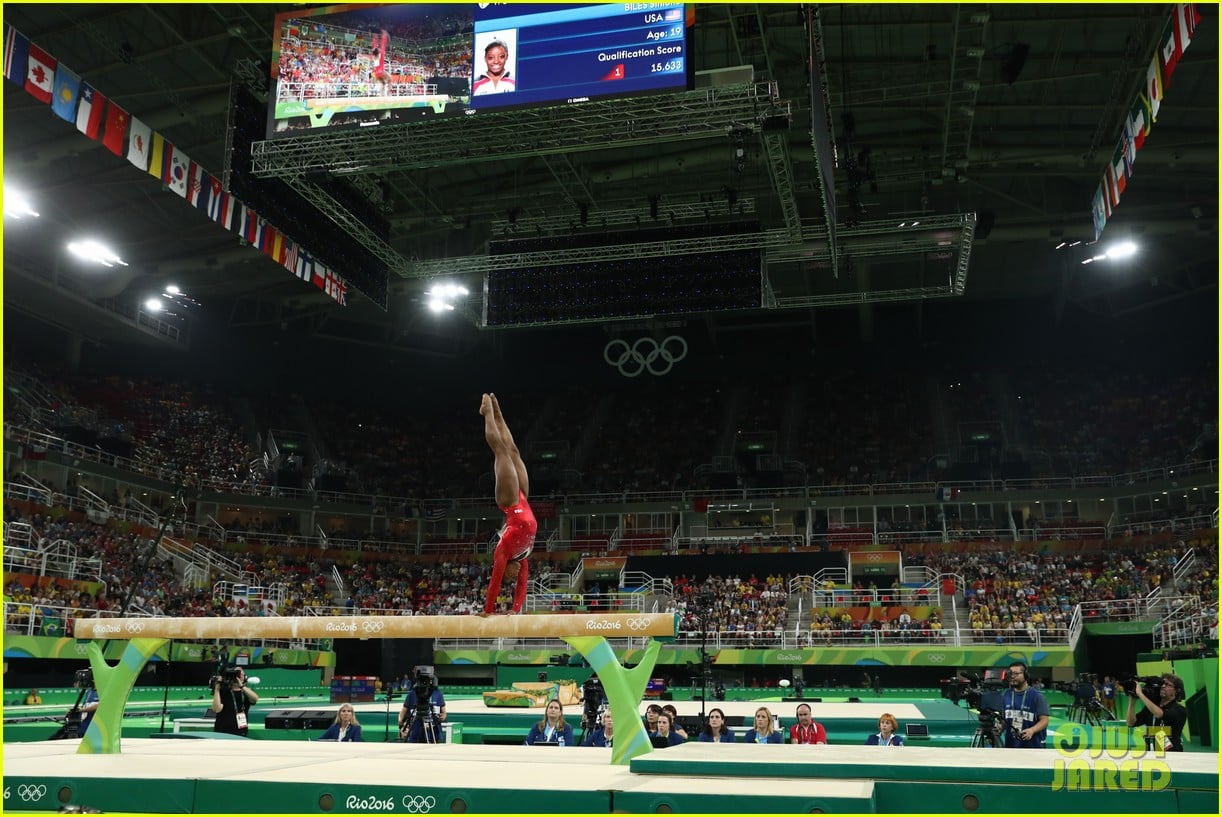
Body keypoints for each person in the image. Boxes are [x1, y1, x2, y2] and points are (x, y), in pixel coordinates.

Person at [481, 393, 537, 615]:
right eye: (512, 576)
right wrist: (514, 610)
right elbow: (523, 584)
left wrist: (488, 610)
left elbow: (494, 582)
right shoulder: (522, 557)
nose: (514, 576)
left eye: (509, 575)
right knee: (512, 450)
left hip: (510, 501)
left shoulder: (502, 552)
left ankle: (488, 414)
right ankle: (498, 414)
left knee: (502, 451)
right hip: (523, 497)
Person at [1126, 673, 1187, 752]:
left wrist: (1140, 694)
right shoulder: (1151, 708)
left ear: (1176, 691)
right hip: (1152, 754)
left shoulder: (1179, 710)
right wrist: (1132, 700)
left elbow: (1160, 714)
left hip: (1172, 754)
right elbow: (1130, 723)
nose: (1163, 686)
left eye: (1168, 685)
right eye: (1162, 684)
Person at [1001, 661, 1049, 748]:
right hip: (1010, 746)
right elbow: (1005, 719)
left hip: (1032, 747)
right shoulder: (1006, 694)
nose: (1012, 676)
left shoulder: (1037, 696)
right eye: (1010, 673)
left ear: (1026, 675)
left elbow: (1044, 721)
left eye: (1016, 673)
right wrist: (999, 728)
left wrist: (1032, 730)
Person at [399, 671, 447, 743]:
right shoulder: (412, 693)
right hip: (415, 733)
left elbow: (444, 712)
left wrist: (443, 716)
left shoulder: (438, 693)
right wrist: (402, 726)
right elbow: (402, 713)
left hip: (433, 733)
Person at [211, 667, 258, 737]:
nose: (238, 677)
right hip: (222, 730)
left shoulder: (246, 692)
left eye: (241, 675)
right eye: (236, 674)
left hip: (241, 730)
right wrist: (217, 689)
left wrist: (241, 686)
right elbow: (216, 709)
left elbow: (255, 699)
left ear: (245, 677)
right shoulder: (223, 691)